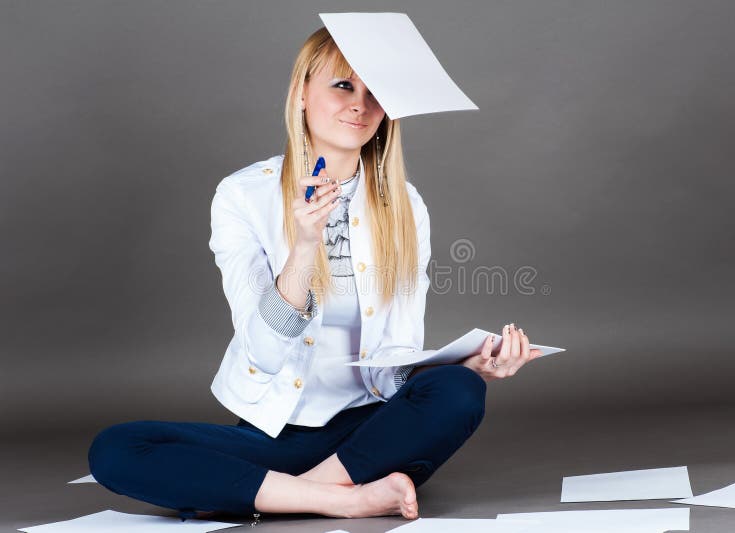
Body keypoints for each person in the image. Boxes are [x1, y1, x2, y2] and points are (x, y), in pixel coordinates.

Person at [87, 26, 541, 523]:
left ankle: (291, 494)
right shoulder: (242, 195)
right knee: (117, 448)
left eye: (376, 94)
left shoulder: (406, 204)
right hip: (273, 433)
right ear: (302, 92)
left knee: (459, 391)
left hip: (371, 436)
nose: (360, 106)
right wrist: (304, 247)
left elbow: (398, 360)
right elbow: (261, 351)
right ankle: (345, 498)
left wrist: (471, 367)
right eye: (343, 86)